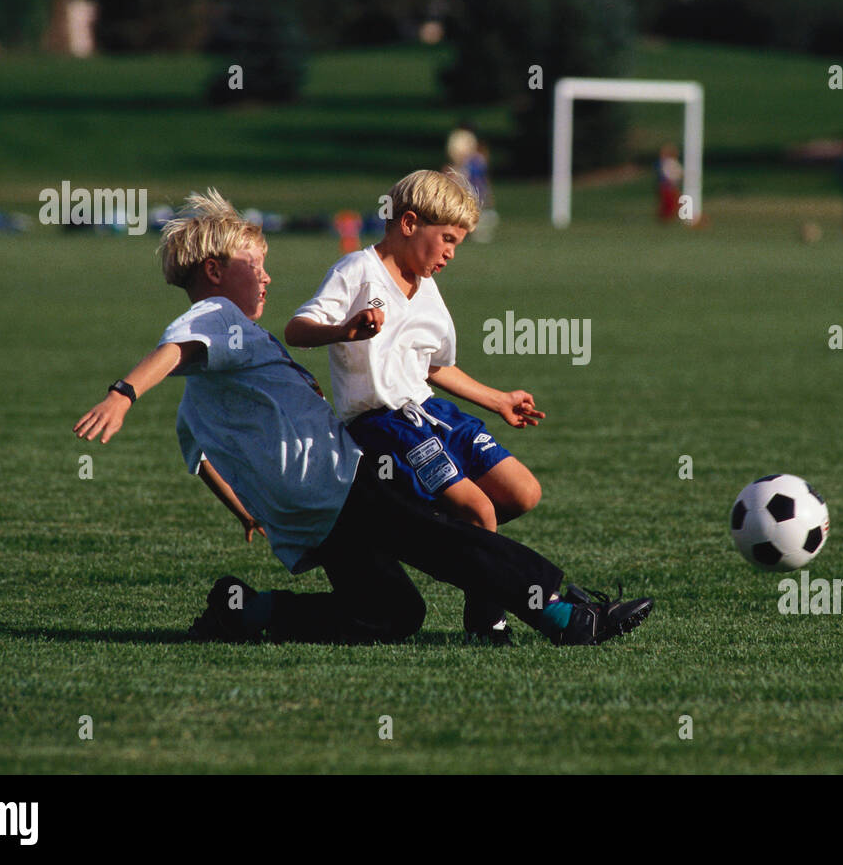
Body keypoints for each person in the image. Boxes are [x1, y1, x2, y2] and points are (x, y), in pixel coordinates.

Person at [72, 189, 651, 646]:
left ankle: (249, 610)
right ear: (217, 272)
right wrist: (123, 392)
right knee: (448, 539)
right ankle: (564, 615)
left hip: (309, 524)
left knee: (391, 613)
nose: (268, 277)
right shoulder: (221, 318)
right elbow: (176, 348)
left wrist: (245, 512)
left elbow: (196, 456)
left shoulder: (202, 392)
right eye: (256, 264)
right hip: (341, 481)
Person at [285, 170, 543, 645]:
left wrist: (498, 399)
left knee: (522, 492)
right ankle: (486, 624)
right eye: (446, 239)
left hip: (430, 411)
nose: (450, 252)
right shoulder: (356, 271)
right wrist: (343, 331)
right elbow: (297, 329)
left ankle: (423, 538)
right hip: (381, 422)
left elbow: (435, 367)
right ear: (408, 223)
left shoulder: (425, 285)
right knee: (479, 511)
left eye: (457, 243)